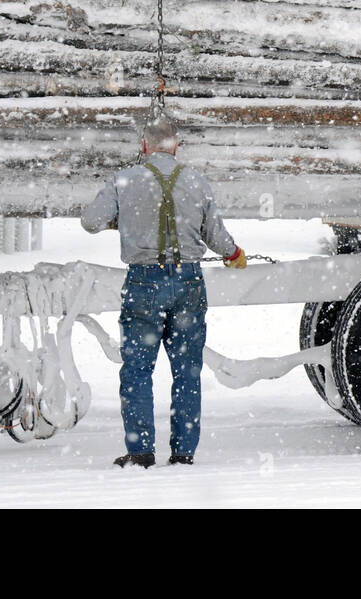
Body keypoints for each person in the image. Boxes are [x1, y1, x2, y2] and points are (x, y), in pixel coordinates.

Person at [81, 114, 246, 468]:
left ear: (144, 146)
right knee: (187, 371)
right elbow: (216, 236)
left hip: (143, 283)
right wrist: (234, 254)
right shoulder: (197, 181)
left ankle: (140, 452)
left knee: (137, 369)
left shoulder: (124, 179)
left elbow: (90, 221)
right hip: (188, 283)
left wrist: (123, 218)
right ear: (177, 147)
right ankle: (183, 453)